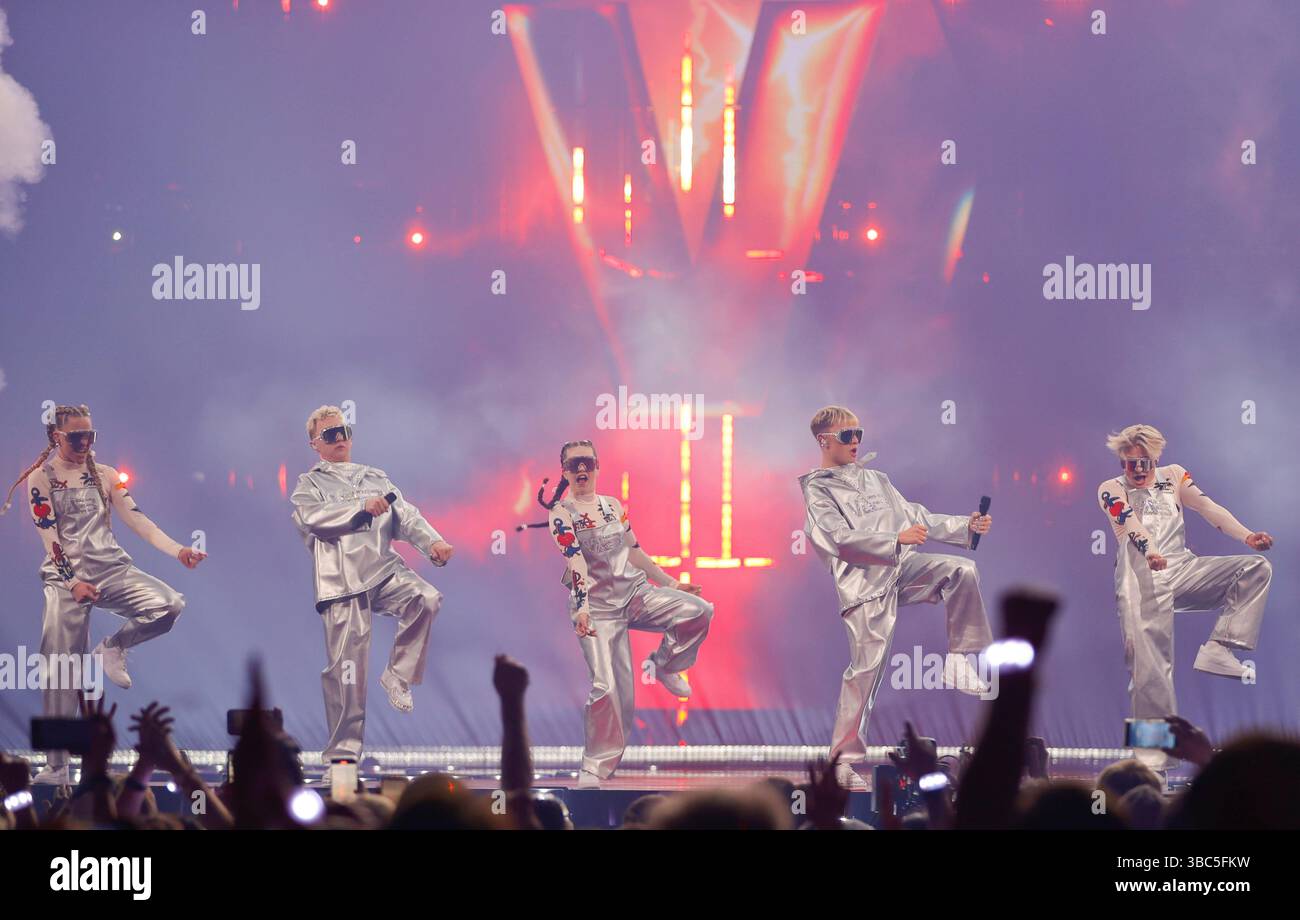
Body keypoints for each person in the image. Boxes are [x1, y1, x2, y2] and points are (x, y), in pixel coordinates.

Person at [2, 404, 204, 786]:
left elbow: (139, 521)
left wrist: (179, 550)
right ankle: (57, 766)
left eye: (90, 436)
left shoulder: (107, 476)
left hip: (112, 571)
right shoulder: (40, 479)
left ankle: (114, 646)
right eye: (76, 436)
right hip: (67, 581)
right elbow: (50, 537)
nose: (84, 443)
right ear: (55, 437)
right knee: (60, 667)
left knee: (170, 604)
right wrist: (72, 581)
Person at [798, 406, 993, 789]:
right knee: (865, 671)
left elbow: (915, 515)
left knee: (961, 571)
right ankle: (841, 762)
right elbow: (835, 539)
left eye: (859, 433)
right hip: (864, 583)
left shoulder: (876, 479)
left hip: (901, 568)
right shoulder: (818, 489)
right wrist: (893, 540)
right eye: (846, 435)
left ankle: (959, 659)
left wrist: (964, 526)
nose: (855, 441)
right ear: (824, 440)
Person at [1097, 424, 1272, 770]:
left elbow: (1210, 509)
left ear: (1156, 457)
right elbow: (1131, 525)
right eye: (1129, 463)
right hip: (1139, 578)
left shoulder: (1175, 477)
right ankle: (1151, 762)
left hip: (1181, 568)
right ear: (1121, 462)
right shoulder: (1110, 489)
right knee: (1149, 673)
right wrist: (1149, 552)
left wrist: (1247, 536)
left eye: (1144, 461)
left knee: (1255, 569)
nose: (1137, 470)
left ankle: (1219, 647)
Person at [290, 406, 452, 777]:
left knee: (425, 598)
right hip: (342, 582)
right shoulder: (309, 485)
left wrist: (434, 543)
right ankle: (342, 759)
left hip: (382, 569)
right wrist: (358, 507)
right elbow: (312, 521)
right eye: (330, 434)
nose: (340, 438)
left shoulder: (375, 476)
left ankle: (398, 673)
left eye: (343, 430)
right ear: (315, 443)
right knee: (348, 671)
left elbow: (406, 515)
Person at [546, 439, 713, 786]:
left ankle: (667, 663)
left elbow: (634, 550)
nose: (581, 470)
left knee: (697, 610)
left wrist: (669, 583)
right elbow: (575, 561)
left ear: (596, 466)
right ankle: (595, 765)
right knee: (608, 689)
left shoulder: (611, 505)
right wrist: (582, 607)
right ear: (563, 470)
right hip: (598, 610)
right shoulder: (561, 514)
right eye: (574, 464)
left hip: (635, 594)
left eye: (587, 463)